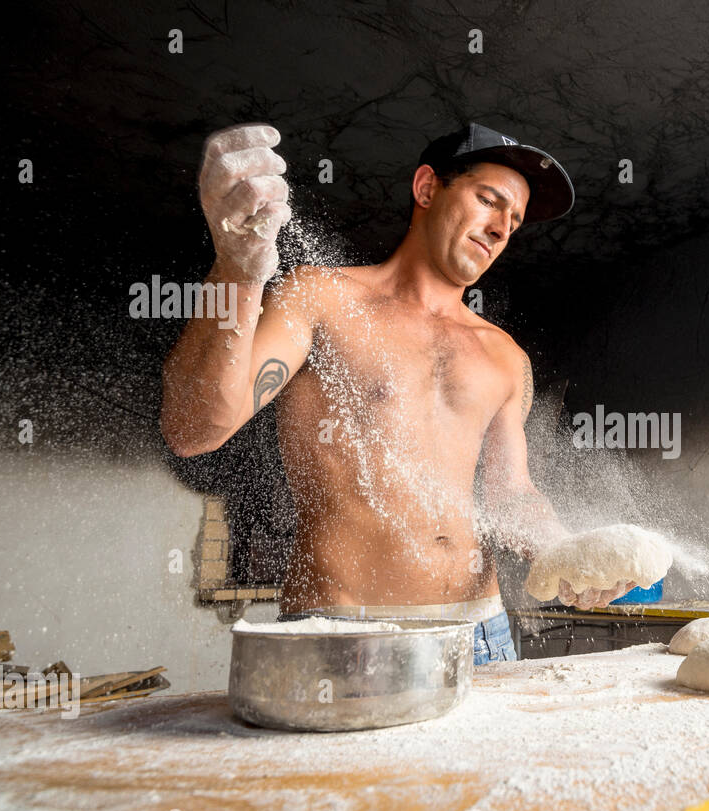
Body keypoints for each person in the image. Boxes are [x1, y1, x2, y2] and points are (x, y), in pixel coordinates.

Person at [161, 121, 635, 664]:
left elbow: (513, 496)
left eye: (515, 219)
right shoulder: (321, 299)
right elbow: (194, 428)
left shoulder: (505, 356)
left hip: (480, 634)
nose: (503, 227)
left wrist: (562, 550)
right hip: (344, 632)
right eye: (489, 199)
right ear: (428, 188)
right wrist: (238, 271)